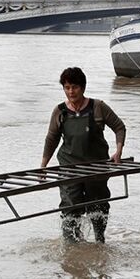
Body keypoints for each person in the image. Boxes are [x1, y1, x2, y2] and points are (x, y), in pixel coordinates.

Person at [41, 67, 126, 243]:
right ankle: (72, 250)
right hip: (69, 167)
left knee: (98, 207)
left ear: (83, 87)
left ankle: (99, 243)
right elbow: (51, 139)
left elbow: (119, 127)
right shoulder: (60, 111)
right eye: (67, 87)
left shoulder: (98, 107)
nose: (71, 91)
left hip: (96, 167)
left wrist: (118, 151)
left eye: (74, 87)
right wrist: (43, 165)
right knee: (70, 209)